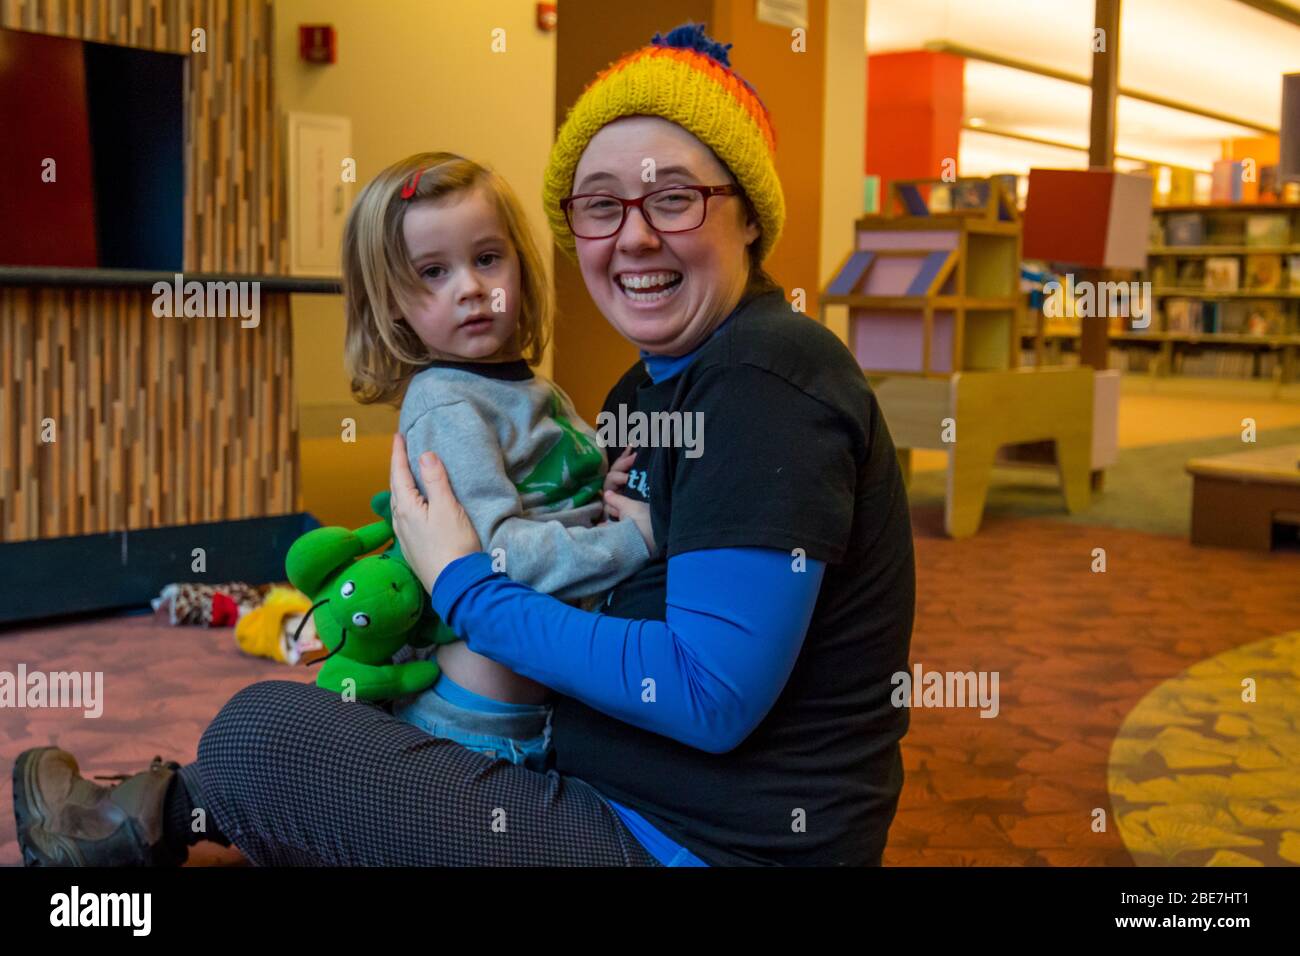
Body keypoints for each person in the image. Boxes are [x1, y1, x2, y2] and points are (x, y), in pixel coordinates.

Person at [13, 22, 913, 868]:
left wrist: (462, 584)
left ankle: (150, 816)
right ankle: (168, 805)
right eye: (601, 206)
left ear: (749, 214)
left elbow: (709, 696)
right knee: (363, 710)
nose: (634, 233)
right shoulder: (653, 387)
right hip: (605, 774)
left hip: (690, 846)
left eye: (674, 197)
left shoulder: (766, 381)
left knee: (263, 734)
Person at [339, 151, 653, 769]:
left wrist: (602, 482)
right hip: (478, 726)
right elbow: (495, 556)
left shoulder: (528, 387)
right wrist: (633, 543)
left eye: (487, 259)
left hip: (545, 709)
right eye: (432, 272)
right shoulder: (445, 404)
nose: (471, 288)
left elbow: (553, 495)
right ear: (392, 301)